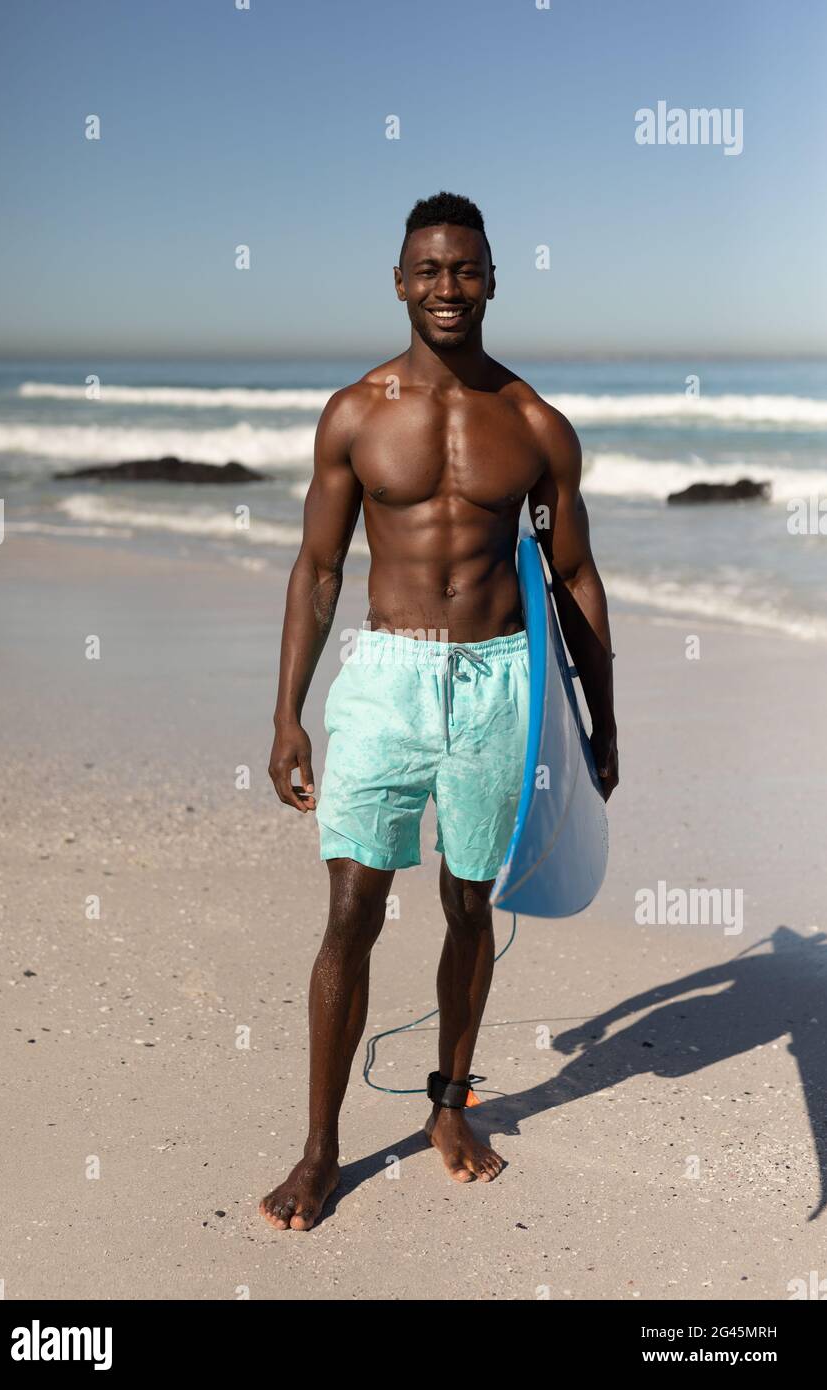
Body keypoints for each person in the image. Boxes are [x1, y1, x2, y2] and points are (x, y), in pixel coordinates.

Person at [261, 191, 618, 1231]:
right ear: (398, 281)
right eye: (428, 270)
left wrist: (600, 719)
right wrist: (287, 711)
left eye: (464, 269)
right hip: (383, 680)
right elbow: (318, 568)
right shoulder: (356, 413)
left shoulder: (534, 423)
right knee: (350, 913)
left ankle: (448, 1106)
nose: (446, 288)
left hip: (499, 681)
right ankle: (322, 1147)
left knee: (468, 908)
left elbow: (576, 575)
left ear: (492, 278)